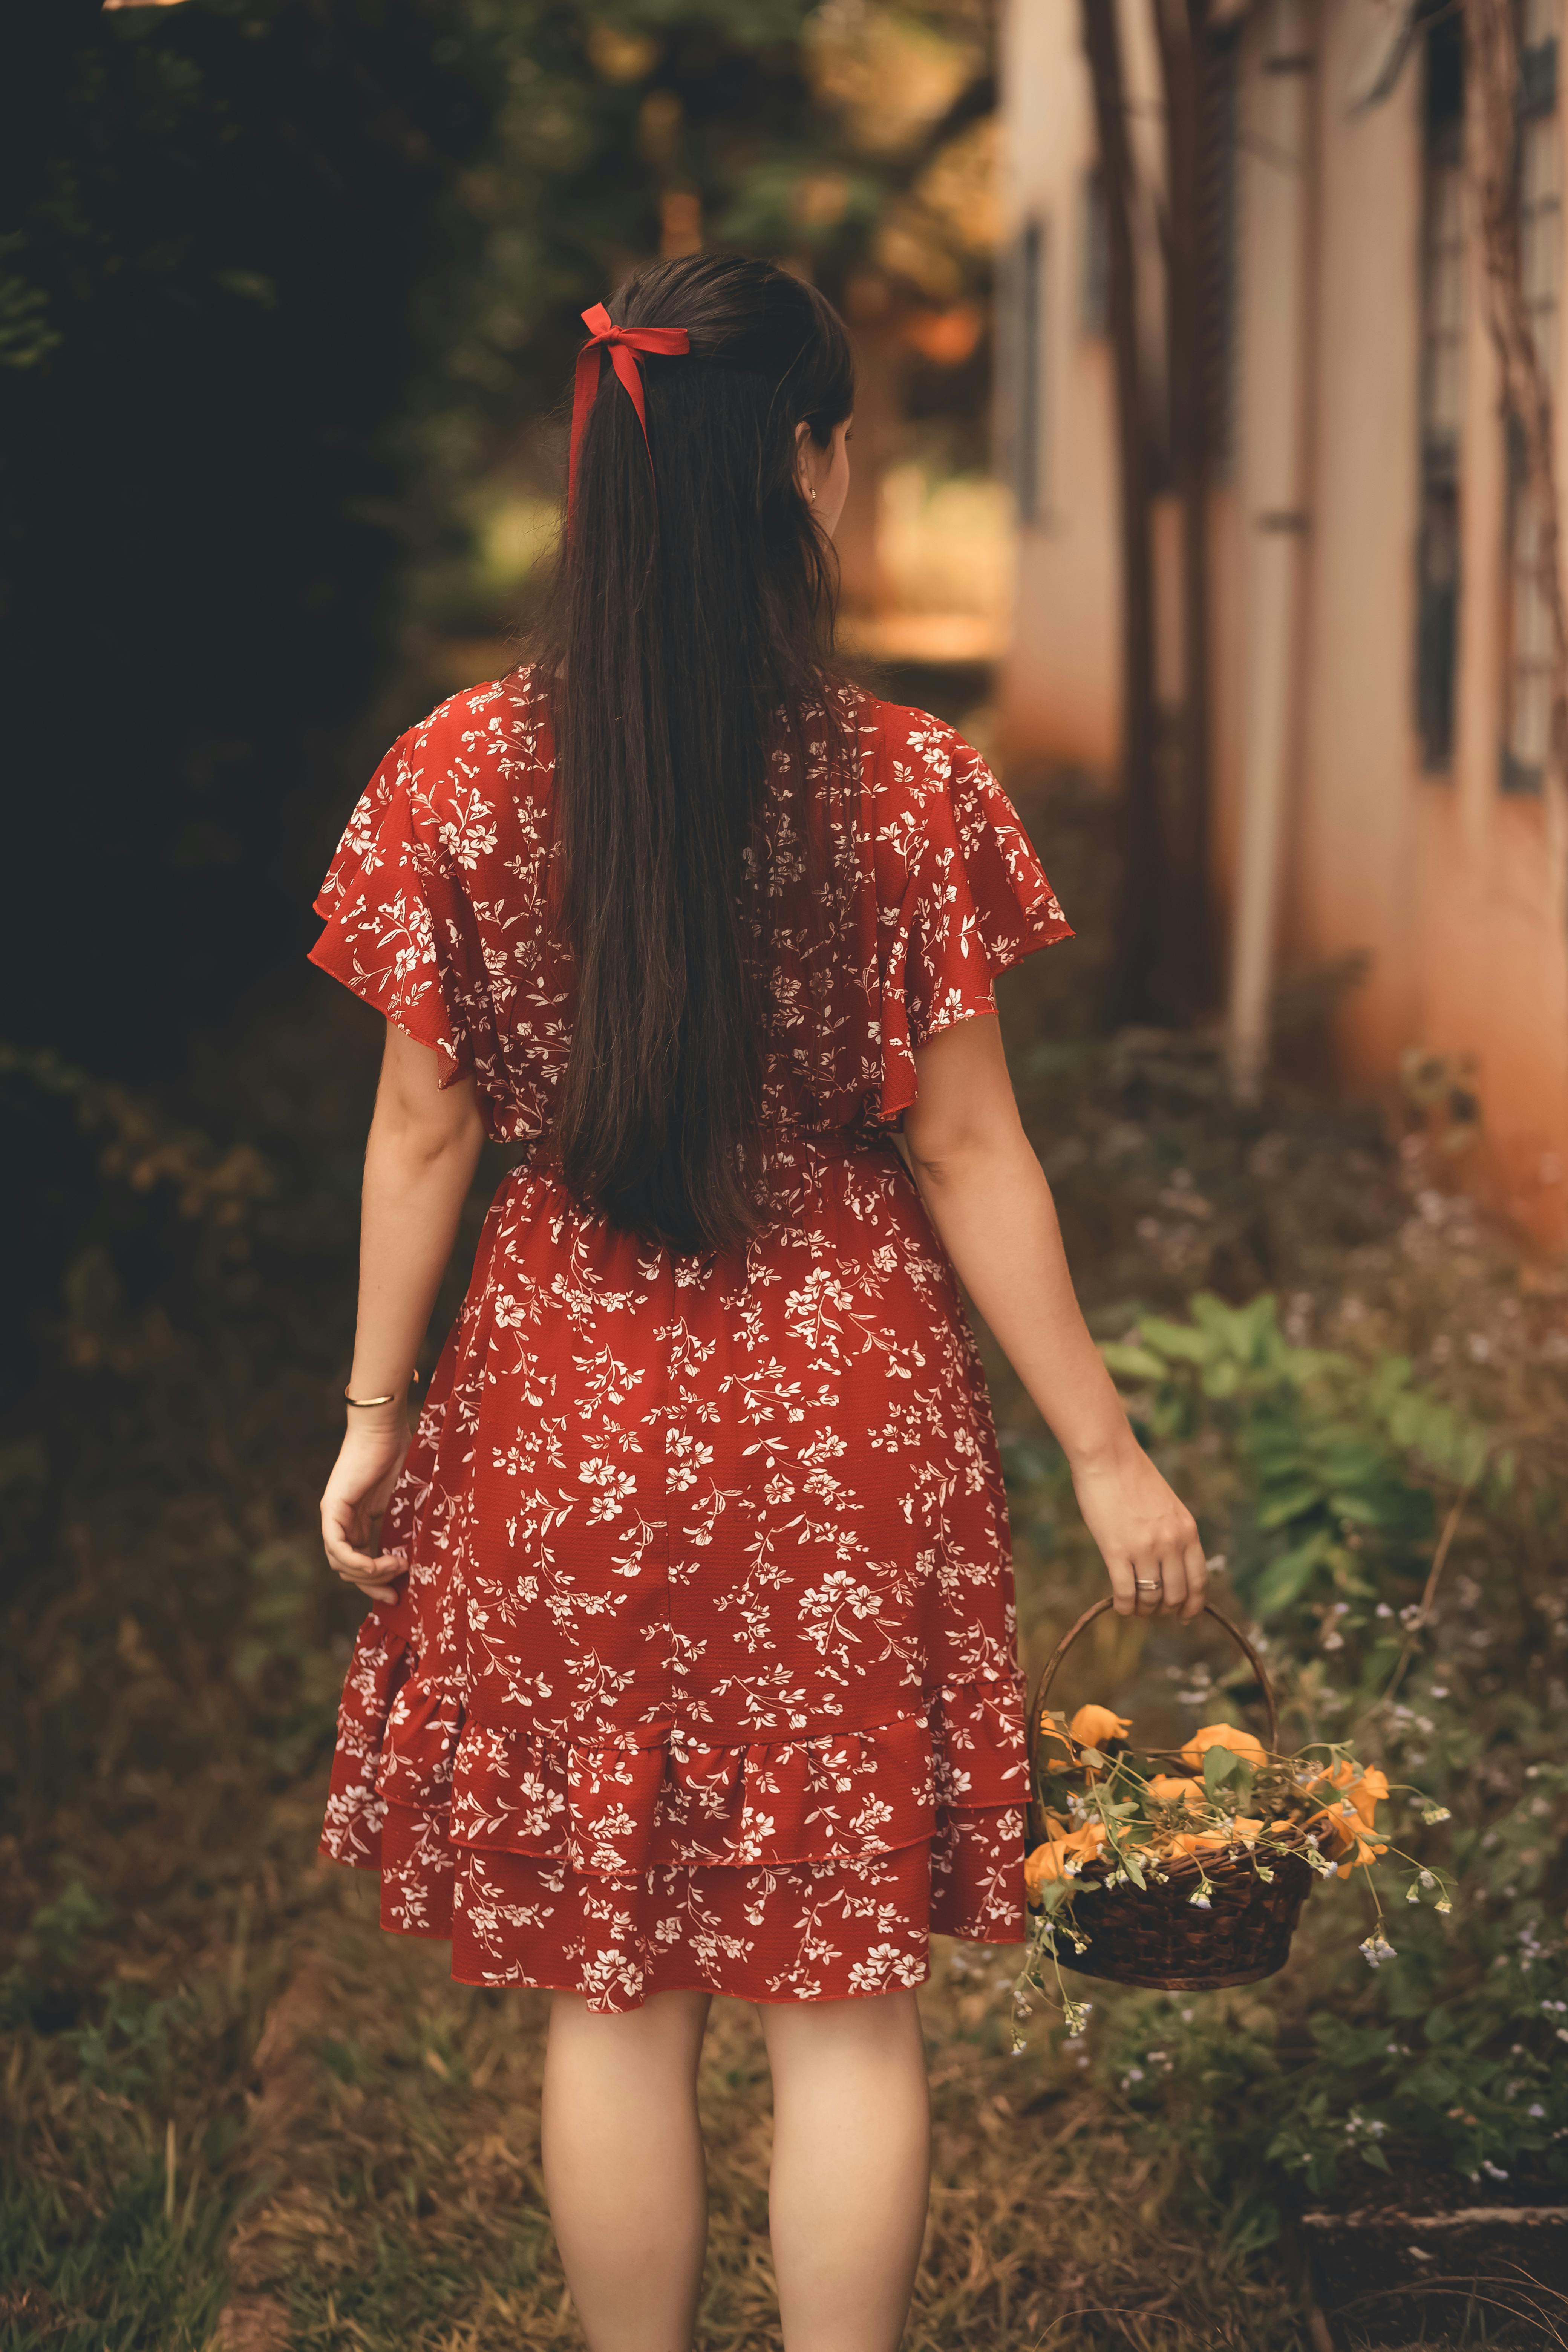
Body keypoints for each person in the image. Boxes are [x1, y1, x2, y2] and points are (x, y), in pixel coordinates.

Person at [312, 251, 1204, 2352]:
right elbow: (971, 1152)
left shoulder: (455, 774)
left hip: (566, 1417)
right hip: (844, 1422)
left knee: (615, 2001)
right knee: (845, 2012)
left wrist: (371, 1420)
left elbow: (424, 1135)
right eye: (844, 442)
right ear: (802, 466)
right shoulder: (907, 783)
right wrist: (1106, 1451)